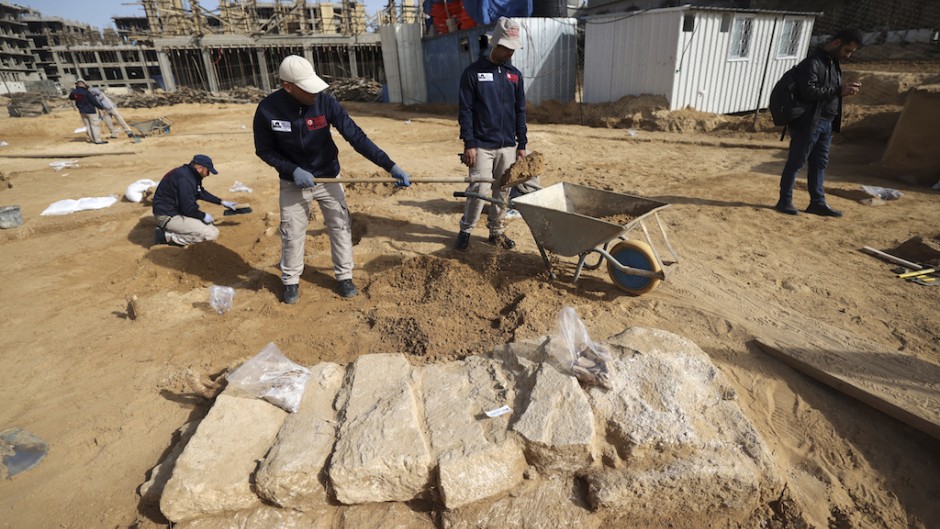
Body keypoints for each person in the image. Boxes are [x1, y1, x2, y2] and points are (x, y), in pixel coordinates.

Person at [253, 55, 412, 304]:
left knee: (340, 225)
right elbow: (264, 150)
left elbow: (356, 137)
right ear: (288, 87)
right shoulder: (267, 109)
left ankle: (345, 276)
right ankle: (291, 281)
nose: (315, 93)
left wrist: (390, 166)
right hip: (293, 181)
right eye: (307, 89)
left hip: (328, 176)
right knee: (292, 232)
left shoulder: (325, 103)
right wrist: (292, 170)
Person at [455, 17, 536, 251]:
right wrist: (469, 143)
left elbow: (520, 111)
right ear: (495, 44)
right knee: (478, 189)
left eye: (513, 48)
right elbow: (466, 111)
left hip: (508, 145)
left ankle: (496, 232)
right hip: (480, 144)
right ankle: (466, 230)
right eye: (506, 48)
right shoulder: (473, 73)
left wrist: (522, 144)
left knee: (503, 190)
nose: (510, 52)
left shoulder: (514, 76)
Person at [774, 28, 864, 218]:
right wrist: (839, 90)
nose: (847, 56)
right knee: (796, 162)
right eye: (847, 50)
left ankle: (817, 202)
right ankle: (785, 201)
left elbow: (827, 90)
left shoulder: (832, 64)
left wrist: (841, 91)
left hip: (826, 124)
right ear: (836, 43)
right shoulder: (812, 63)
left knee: (819, 164)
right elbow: (809, 92)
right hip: (809, 123)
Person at [152, 154, 238, 247]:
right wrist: (203, 215)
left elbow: (201, 192)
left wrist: (221, 202)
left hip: (175, 211)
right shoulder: (186, 178)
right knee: (210, 234)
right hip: (167, 215)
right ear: (200, 168)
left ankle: (172, 231)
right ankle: (166, 237)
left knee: (211, 228)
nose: (208, 174)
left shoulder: (189, 174)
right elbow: (188, 208)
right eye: (207, 171)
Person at [68, 79, 107, 145]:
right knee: (95, 125)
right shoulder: (86, 92)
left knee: (88, 126)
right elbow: (93, 101)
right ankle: (97, 140)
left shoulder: (74, 92)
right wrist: (101, 107)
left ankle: (91, 139)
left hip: (82, 111)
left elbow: (71, 97)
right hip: (90, 111)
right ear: (83, 84)